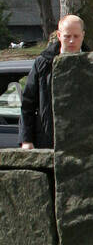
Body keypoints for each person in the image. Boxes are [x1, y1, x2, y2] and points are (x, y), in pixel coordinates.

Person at [19, 14, 87, 149]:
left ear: (83, 35)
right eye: (67, 36)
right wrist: (26, 140)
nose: (72, 41)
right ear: (59, 35)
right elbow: (28, 103)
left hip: (82, 140)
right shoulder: (43, 63)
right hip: (48, 139)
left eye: (76, 36)